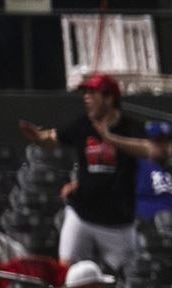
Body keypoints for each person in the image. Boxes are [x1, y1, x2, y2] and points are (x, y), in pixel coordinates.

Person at [17, 73, 143, 271]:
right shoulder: (83, 124)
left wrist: (111, 138)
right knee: (67, 272)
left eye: (93, 94)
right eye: (85, 93)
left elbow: (147, 150)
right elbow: (53, 139)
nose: (86, 98)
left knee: (123, 279)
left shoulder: (131, 128)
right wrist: (38, 137)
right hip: (82, 214)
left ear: (110, 98)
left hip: (117, 223)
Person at [95, 120, 172, 224]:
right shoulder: (136, 167)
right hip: (150, 229)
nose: (165, 146)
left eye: (168, 141)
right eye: (158, 142)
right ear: (145, 144)